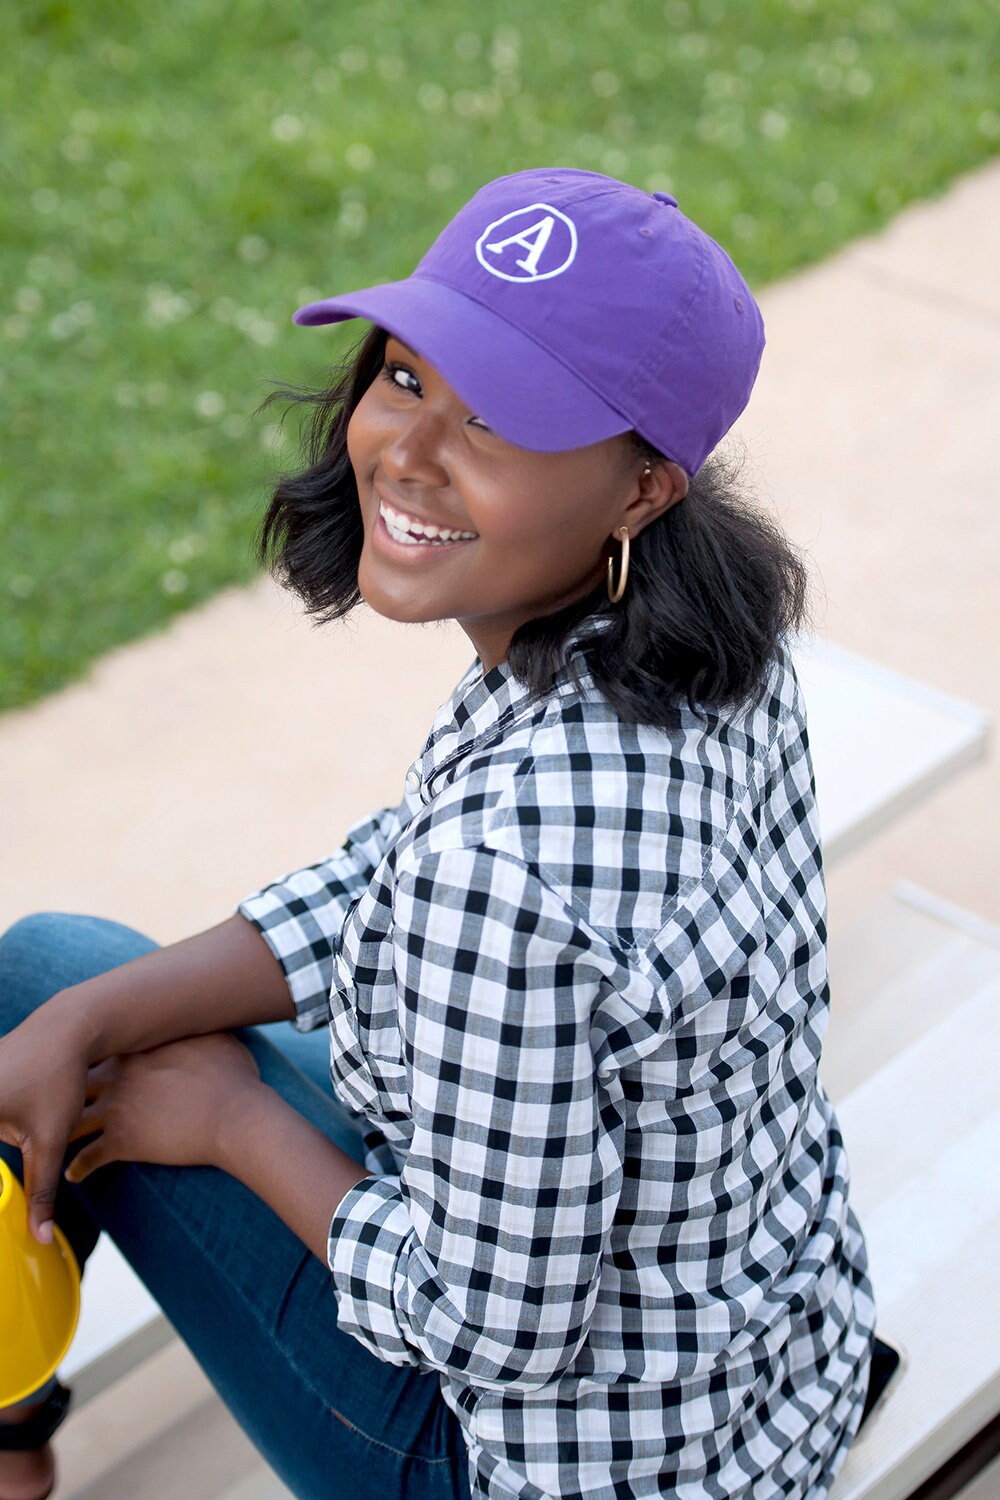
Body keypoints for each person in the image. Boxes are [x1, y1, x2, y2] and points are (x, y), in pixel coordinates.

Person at [0, 168, 879, 1500]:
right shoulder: (717, 647)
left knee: (43, 973)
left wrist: (235, 1122)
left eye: (503, 421)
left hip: (539, 1461)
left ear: (642, 488)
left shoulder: (501, 870)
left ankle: (10, 1430)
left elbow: (492, 1326)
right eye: (407, 377)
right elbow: (398, 869)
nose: (407, 451)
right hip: (765, 1379)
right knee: (79, 996)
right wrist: (106, 1013)